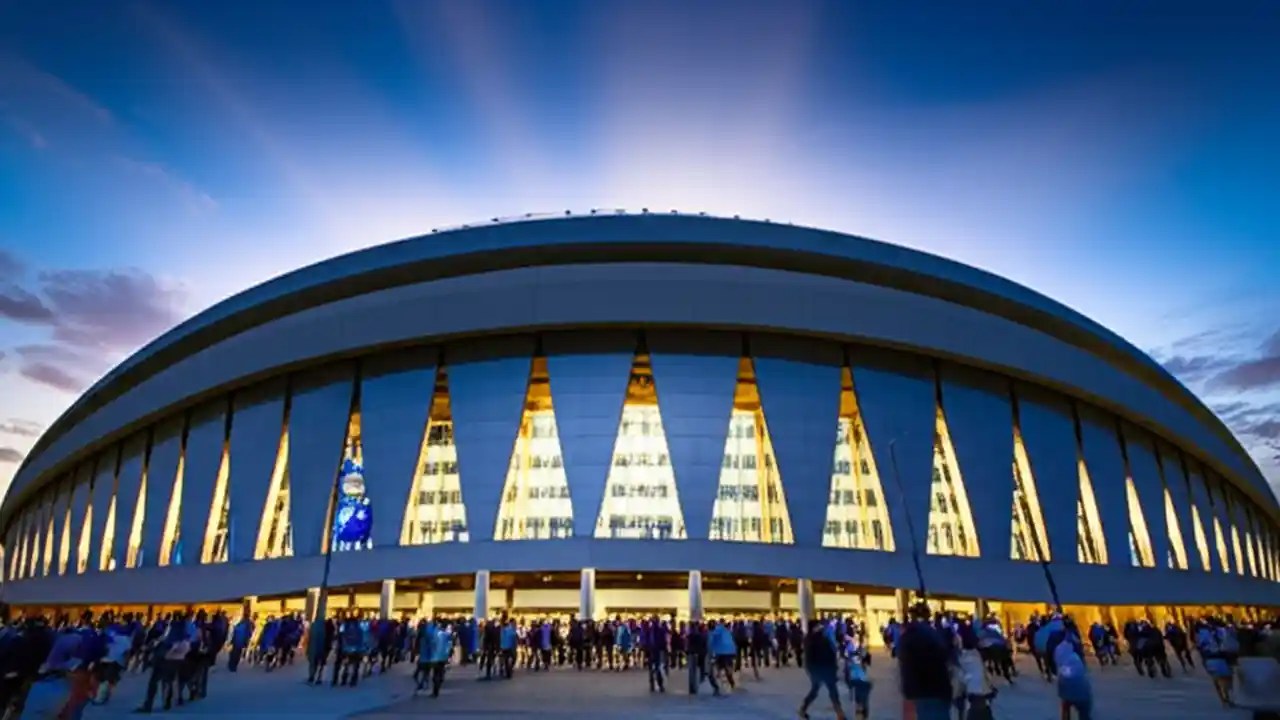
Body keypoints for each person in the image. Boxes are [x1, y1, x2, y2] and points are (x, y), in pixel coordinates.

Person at [897, 603, 952, 720]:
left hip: (917, 692)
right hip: (939, 690)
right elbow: (947, 655)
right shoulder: (936, 634)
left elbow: (903, 662)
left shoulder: (907, 637)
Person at [798, 618, 845, 720]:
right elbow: (811, 656)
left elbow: (830, 652)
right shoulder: (812, 639)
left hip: (825, 668)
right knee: (831, 690)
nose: (820, 628)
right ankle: (839, 714)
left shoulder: (820, 637)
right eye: (817, 626)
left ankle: (803, 709)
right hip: (820, 668)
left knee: (818, 690)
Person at [1055, 630, 1093, 720]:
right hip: (1079, 683)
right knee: (1084, 706)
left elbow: (1057, 664)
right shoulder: (1075, 649)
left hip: (1064, 681)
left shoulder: (1058, 650)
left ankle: (1065, 717)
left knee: (1066, 703)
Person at [842, 634, 872, 719]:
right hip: (859, 679)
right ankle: (861, 710)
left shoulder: (855, 650)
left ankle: (860, 709)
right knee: (861, 697)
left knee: (858, 696)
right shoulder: (857, 649)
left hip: (856, 679)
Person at [709, 619, 737, 691]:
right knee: (727, 667)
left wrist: (712, 651)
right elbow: (731, 641)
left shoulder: (715, 631)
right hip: (728, 652)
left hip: (721, 652)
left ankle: (721, 683)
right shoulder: (726, 631)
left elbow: (711, 642)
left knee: (720, 667)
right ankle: (731, 683)